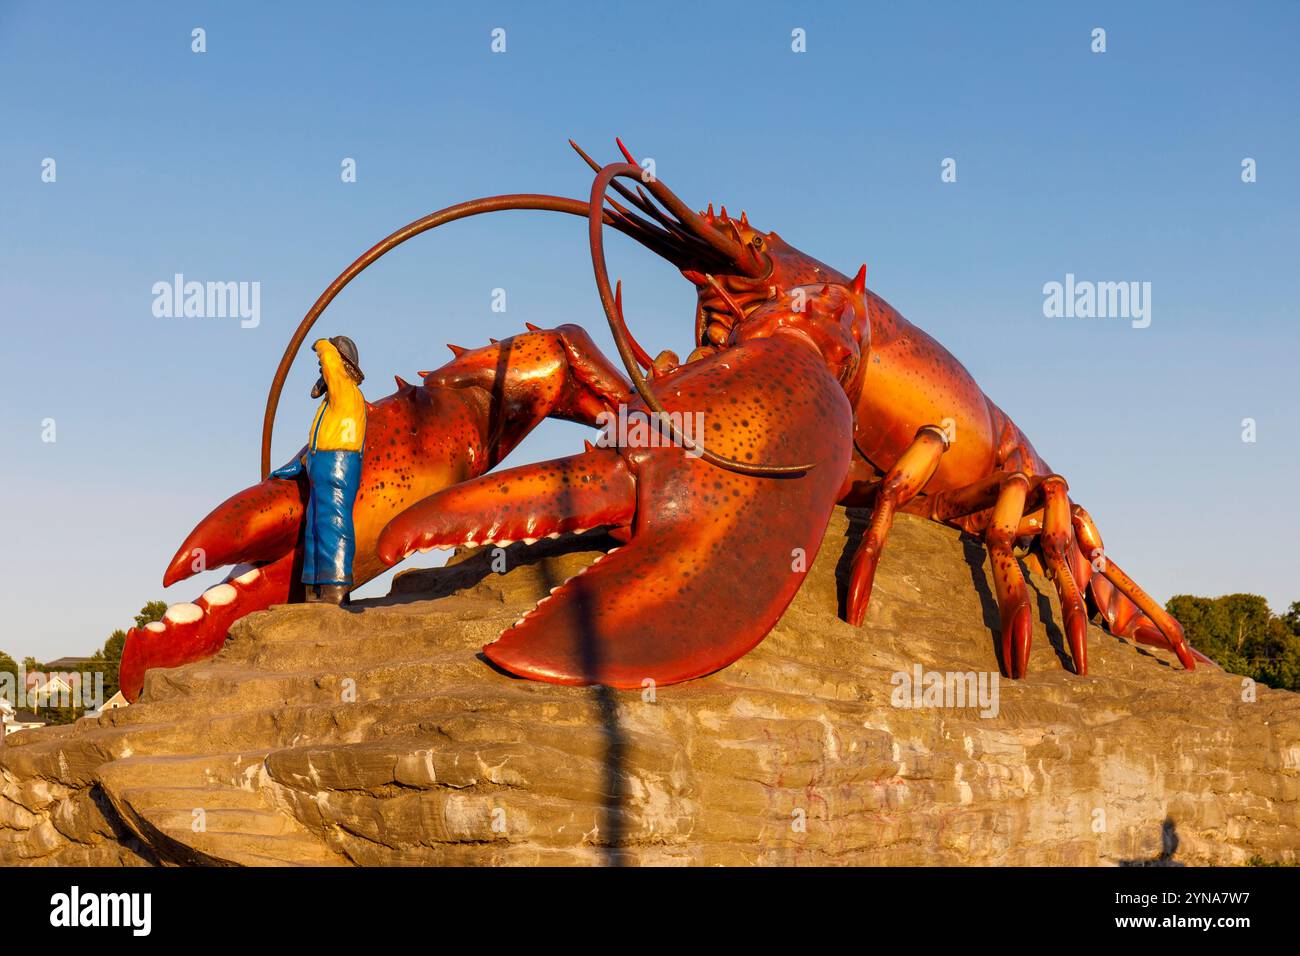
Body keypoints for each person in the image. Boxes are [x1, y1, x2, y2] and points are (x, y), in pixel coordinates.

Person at [269, 336, 367, 605]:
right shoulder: (331, 402)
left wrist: (323, 345)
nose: (322, 370)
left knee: (332, 523)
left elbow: (332, 365)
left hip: (338, 464)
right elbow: (323, 436)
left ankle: (335, 585)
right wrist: (300, 464)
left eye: (325, 366)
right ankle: (314, 585)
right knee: (313, 526)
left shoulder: (345, 389)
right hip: (321, 464)